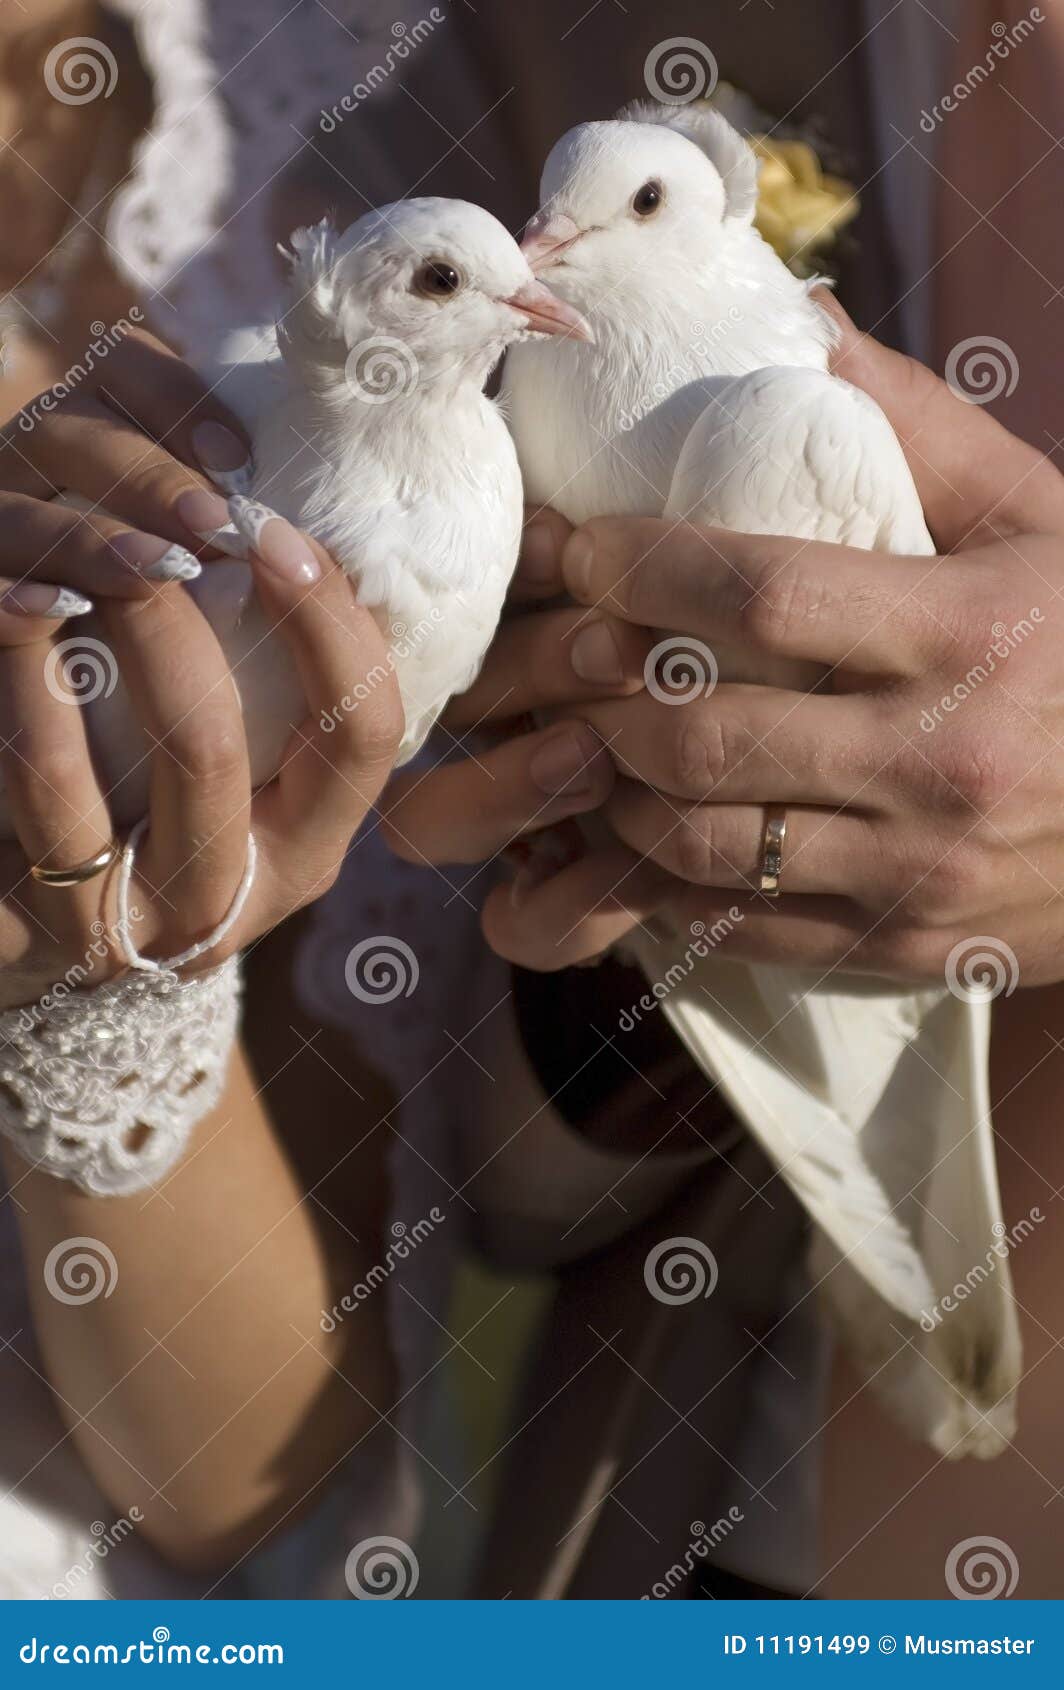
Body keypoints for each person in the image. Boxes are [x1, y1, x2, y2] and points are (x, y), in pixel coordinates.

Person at [0, 0, 1061, 1601]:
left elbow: (246, 1469)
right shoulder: (490, 76)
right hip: (703, 1482)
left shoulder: (336, 75)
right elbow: (469, 1203)